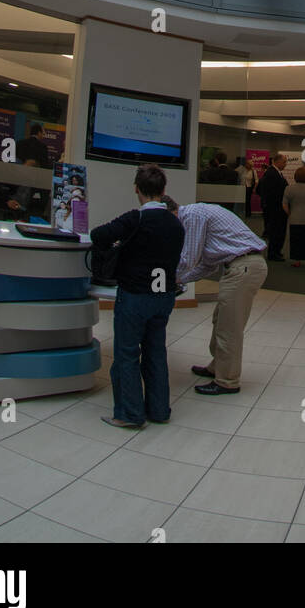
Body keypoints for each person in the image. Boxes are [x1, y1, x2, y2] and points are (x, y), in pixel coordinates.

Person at [90, 163, 185, 429]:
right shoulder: (175, 224)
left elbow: (98, 235)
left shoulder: (135, 219)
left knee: (128, 354)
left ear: (137, 189)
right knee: (156, 352)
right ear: (163, 189)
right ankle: (159, 409)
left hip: (135, 295)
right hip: (163, 296)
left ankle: (129, 414)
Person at [174, 200, 268, 395]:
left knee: (229, 328)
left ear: (172, 213)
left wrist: (168, 278)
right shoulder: (200, 216)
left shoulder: (191, 215)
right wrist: (179, 280)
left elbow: (188, 258)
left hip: (243, 268)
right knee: (221, 321)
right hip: (243, 266)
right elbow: (206, 266)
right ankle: (217, 367)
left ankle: (227, 381)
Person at [258, 154, 288, 260]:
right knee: (275, 231)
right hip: (275, 208)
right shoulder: (271, 174)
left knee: (278, 231)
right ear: (277, 162)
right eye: (284, 162)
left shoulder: (276, 173)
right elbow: (269, 192)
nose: (285, 164)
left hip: (277, 208)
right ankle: (273, 253)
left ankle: (276, 251)